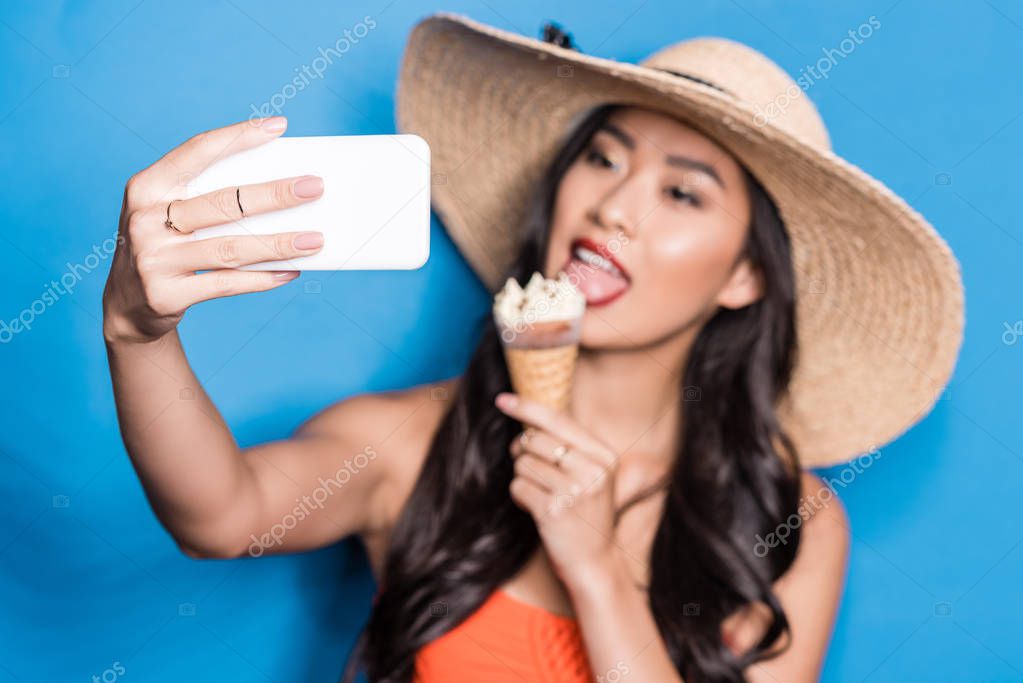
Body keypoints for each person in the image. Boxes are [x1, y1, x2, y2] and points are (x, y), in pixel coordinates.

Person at [101, 13, 964, 683]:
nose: (613, 208)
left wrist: (592, 568)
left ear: (743, 274)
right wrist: (138, 333)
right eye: (601, 157)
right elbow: (219, 516)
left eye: (681, 194)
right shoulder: (409, 442)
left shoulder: (788, 521)